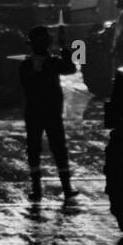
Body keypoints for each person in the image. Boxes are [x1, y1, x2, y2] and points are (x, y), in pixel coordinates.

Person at [19, 26, 78, 201]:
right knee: (41, 148)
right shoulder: (31, 64)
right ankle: (43, 188)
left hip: (43, 112)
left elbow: (70, 68)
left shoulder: (43, 63)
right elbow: (70, 68)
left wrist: (64, 48)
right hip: (43, 112)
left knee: (50, 149)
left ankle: (58, 188)